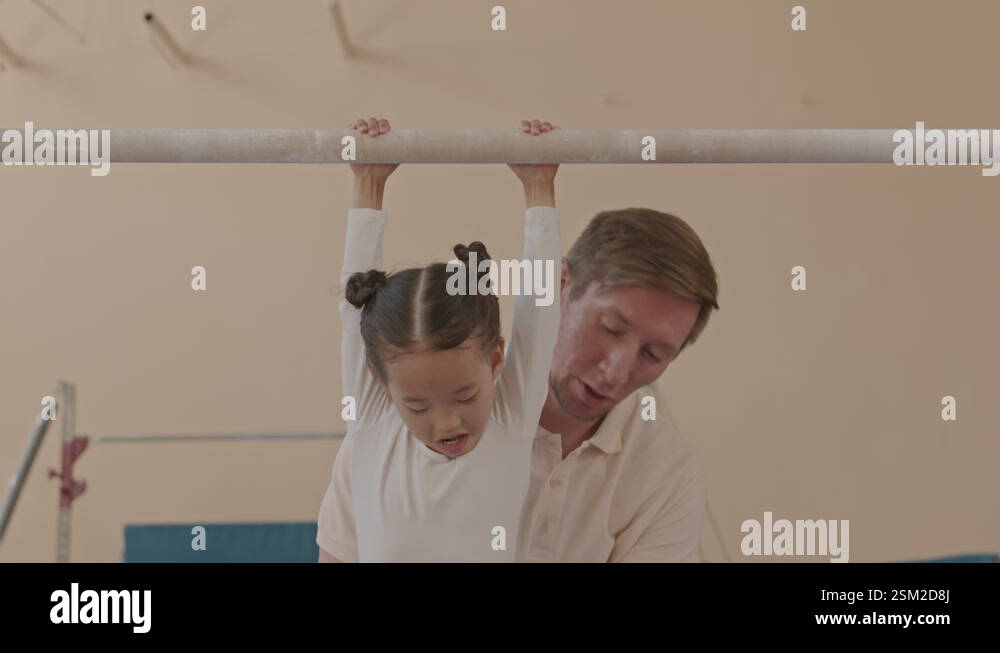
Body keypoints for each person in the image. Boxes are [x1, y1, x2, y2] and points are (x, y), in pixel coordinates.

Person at [316, 116, 562, 561]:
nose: (447, 423)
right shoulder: (372, 421)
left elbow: (539, 311)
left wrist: (539, 187)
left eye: (465, 396)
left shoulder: (511, 415)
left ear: (495, 360)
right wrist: (368, 182)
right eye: (417, 406)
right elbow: (350, 307)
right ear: (380, 381)